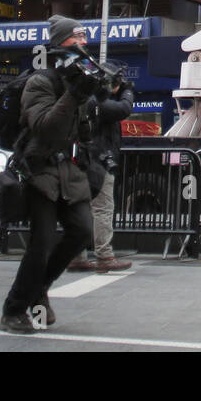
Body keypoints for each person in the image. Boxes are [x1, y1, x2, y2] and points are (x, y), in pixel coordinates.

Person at [0, 16, 98, 334]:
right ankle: (14, 308)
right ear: (61, 43)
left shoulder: (79, 79)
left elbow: (81, 131)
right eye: (76, 38)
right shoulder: (40, 82)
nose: (83, 43)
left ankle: (38, 287)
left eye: (84, 37)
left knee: (82, 231)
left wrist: (94, 101)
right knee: (41, 244)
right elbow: (45, 127)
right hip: (40, 170)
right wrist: (73, 95)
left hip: (70, 171)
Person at [69, 66, 134, 273]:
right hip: (98, 160)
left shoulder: (80, 99)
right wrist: (127, 91)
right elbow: (124, 109)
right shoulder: (95, 102)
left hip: (80, 160)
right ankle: (104, 255)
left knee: (81, 208)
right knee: (102, 208)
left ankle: (77, 257)